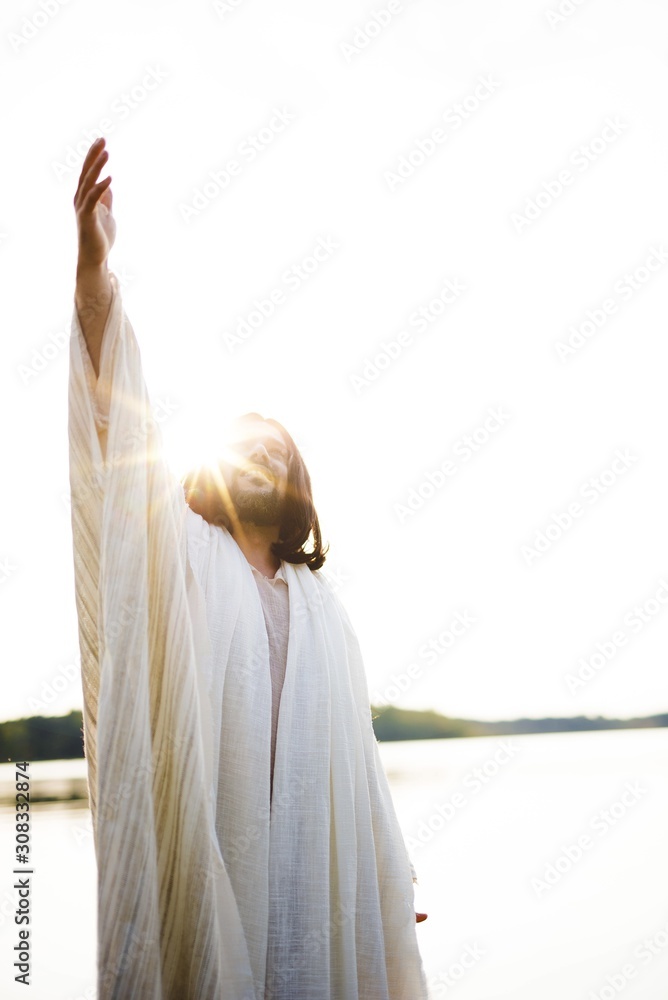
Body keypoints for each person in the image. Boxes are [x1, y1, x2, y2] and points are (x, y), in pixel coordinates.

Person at [69, 136, 429, 1000]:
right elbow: (118, 430)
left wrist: (389, 879)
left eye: (280, 448)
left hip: (314, 874)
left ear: (299, 484)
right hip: (212, 849)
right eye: (248, 447)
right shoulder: (184, 555)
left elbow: (361, 755)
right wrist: (94, 281)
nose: (263, 454)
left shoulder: (322, 608)